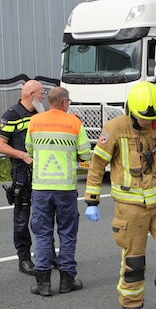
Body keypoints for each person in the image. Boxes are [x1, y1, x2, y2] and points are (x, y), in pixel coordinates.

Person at [84, 81, 156, 309]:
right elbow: (98, 165)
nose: (147, 123)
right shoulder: (115, 129)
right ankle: (132, 306)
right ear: (131, 110)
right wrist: (92, 200)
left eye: (152, 119)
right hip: (130, 206)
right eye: (142, 119)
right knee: (134, 260)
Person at [26, 87, 93, 296]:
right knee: (67, 234)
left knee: (43, 234)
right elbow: (85, 155)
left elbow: (29, 149)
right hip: (65, 188)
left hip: (41, 189)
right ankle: (66, 280)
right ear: (64, 103)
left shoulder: (35, 121)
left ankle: (43, 283)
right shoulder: (74, 123)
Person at [0, 80, 43, 276]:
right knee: (22, 217)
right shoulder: (12, 115)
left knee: (44, 215)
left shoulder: (41, 114)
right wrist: (23, 156)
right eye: (41, 93)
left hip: (42, 172)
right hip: (22, 171)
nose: (43, 96)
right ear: (30, 94)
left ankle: (46, 255)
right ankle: (24, 258)